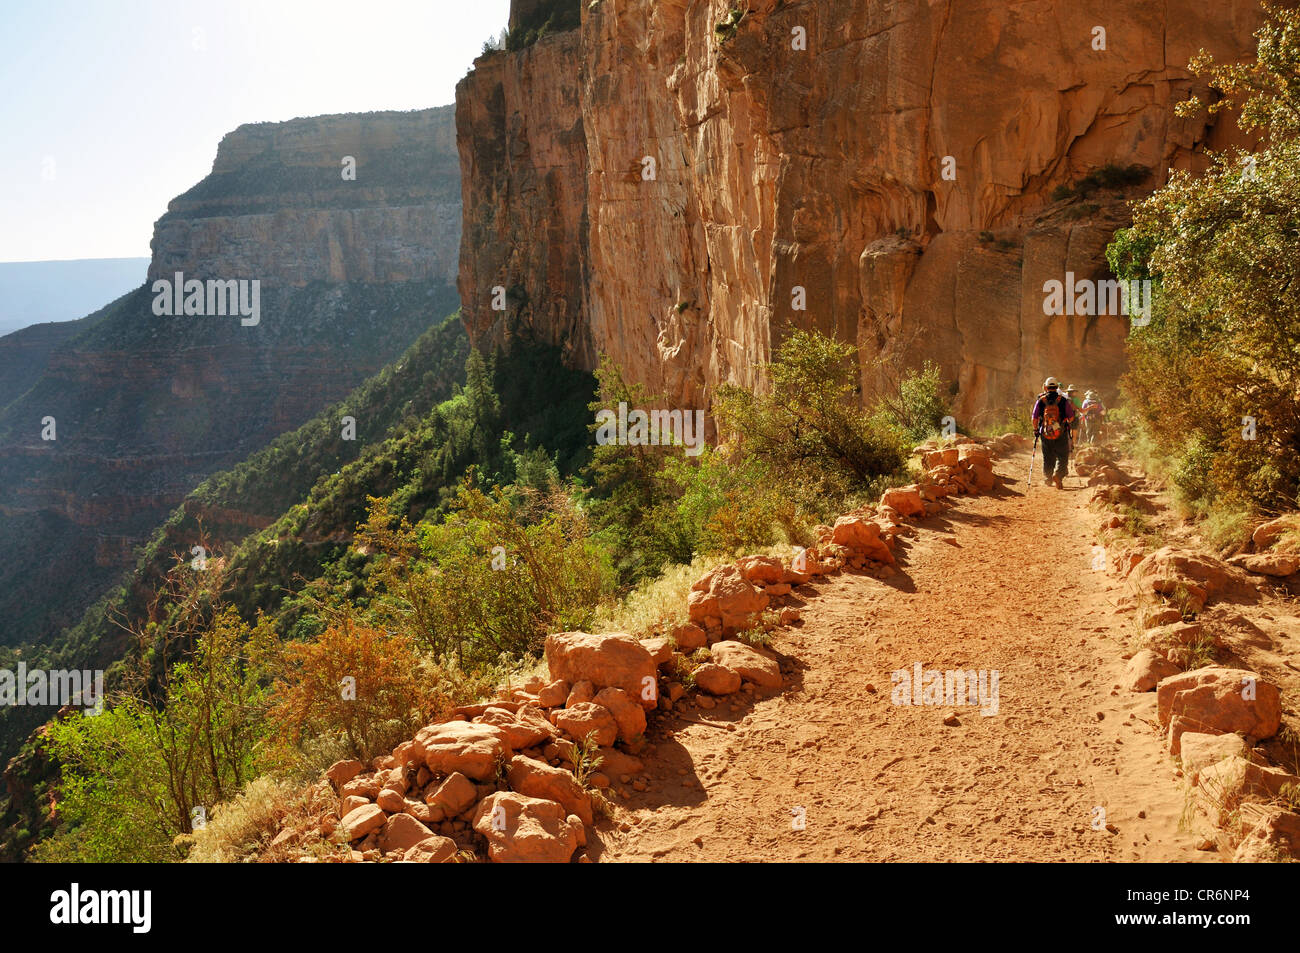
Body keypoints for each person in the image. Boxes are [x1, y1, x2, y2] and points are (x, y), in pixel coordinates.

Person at [1031, 377, 1075, 489]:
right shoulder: (1063, 400)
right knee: (1063, 456)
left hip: (1045, 432)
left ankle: (1048, 478)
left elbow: (1034, 418)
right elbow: (1071, 417)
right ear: (1056, 387)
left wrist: (1036, 430)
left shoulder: (1041, 400)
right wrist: (1064, 422)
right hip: (1061, 432)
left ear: (1046, 387)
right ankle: (1058, 475)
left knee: (1048, 456)